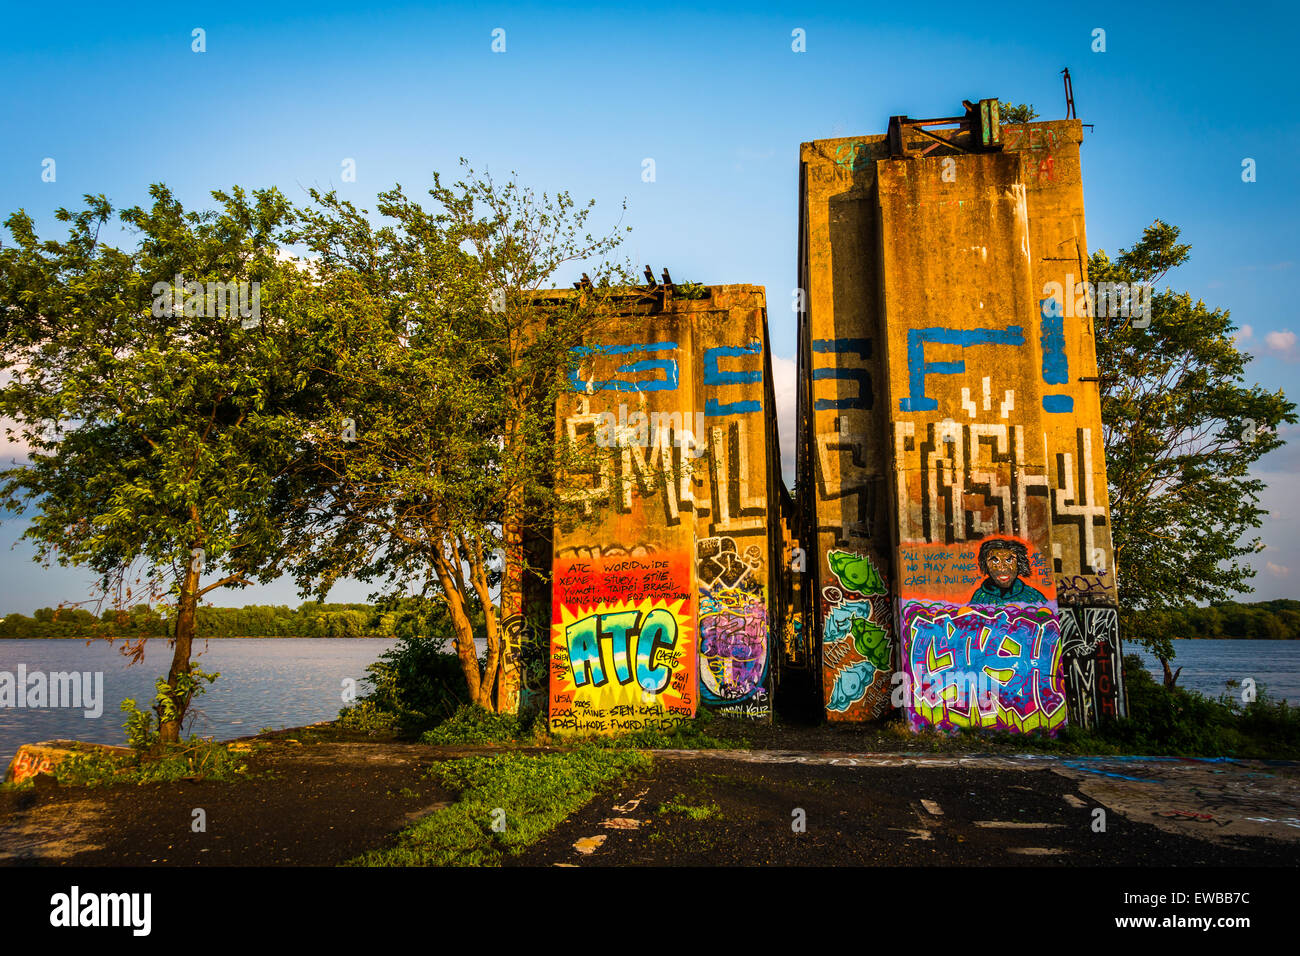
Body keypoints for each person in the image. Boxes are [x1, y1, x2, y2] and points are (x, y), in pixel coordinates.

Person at [968, 538, 1048, 605]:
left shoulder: (1033, 597)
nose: (1002, 569)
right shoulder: (979, 598)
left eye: (1009, 560)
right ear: (985, 564)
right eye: (995, 561)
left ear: (1019, 564)